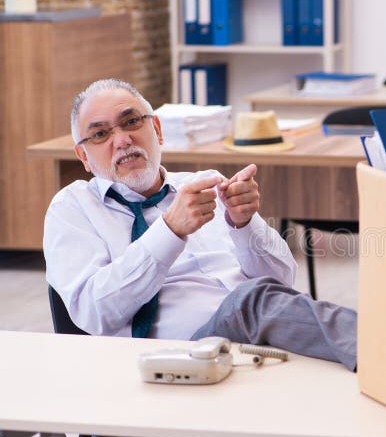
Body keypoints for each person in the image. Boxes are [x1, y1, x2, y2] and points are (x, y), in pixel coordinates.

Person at [43, 78, 356, 371]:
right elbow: (93, 313)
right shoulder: (72, 208)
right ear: (83, 156)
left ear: (157, 129)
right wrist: (170, 231)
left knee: (312, 348)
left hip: (254, 347)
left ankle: (385, 350)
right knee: (250, 302)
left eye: (131, 122)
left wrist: (243, 224)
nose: (122, 140)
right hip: (173, 361)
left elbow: (282, 281)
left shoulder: (201, 186)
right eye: (100, 134)